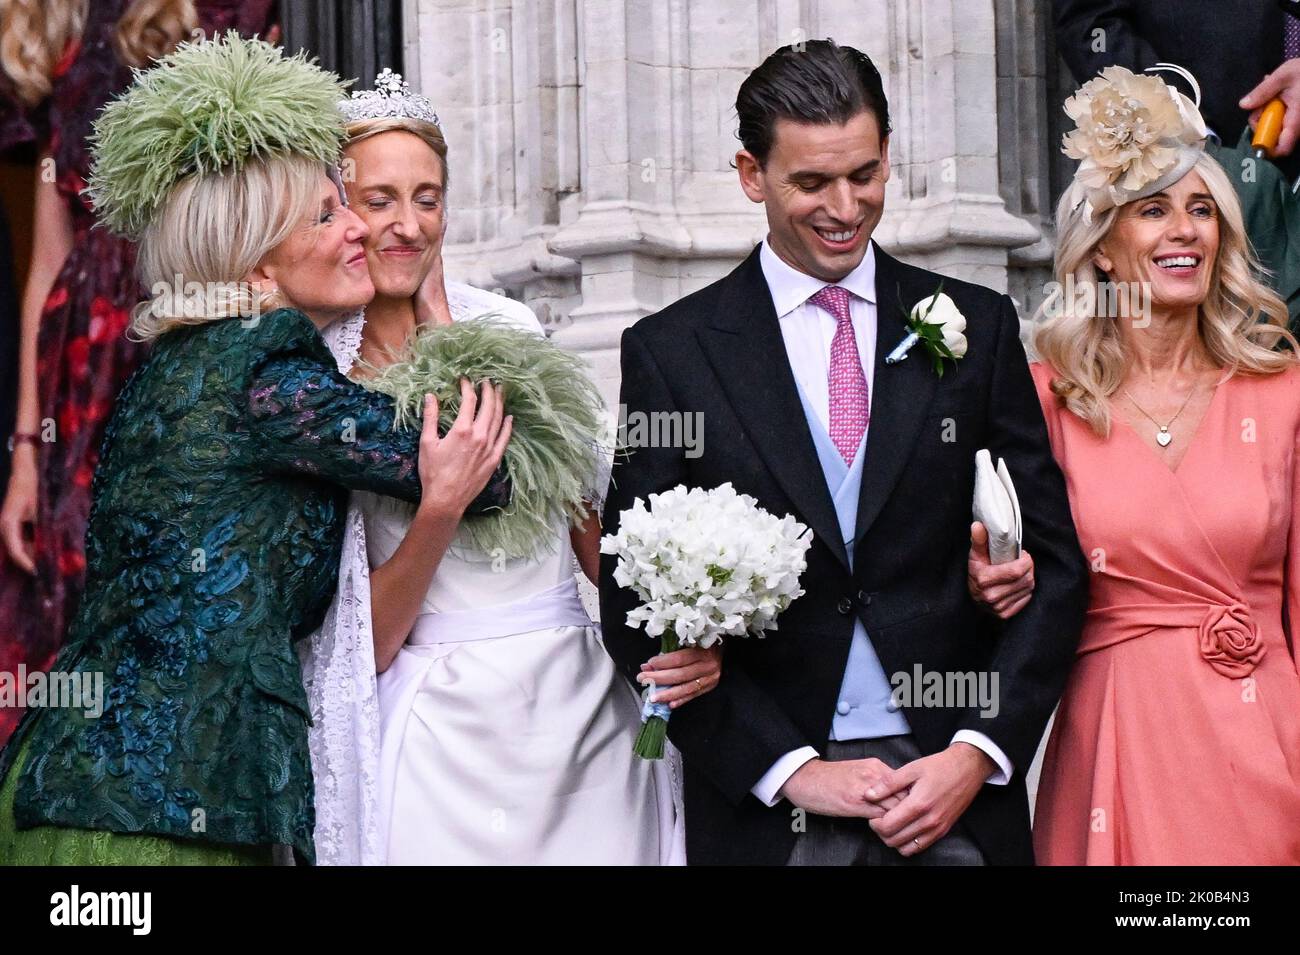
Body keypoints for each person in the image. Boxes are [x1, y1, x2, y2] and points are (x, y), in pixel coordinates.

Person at [0, 34, 509, 866]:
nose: (360, 230)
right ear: (257, 269)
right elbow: (482, 463)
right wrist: (435, 302)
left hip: (90, 794)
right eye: (326, 214)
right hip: (147, 820)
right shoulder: (269, 372)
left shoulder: (190, 361)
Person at [599, 39, 1090, 867]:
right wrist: (790, 771)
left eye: (864, 174)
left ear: (889, 155)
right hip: (776, 805)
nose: (845, 205)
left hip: (953, 784)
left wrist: (978, 751)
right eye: (811, 182)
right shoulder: (672, 351)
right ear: (752, 175)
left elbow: (1057, 567)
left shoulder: (978, 326)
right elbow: (632, 600)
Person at [300, 72, 720, 865]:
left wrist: (680, 626)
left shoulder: (510, 326)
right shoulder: (318, 376)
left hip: (582, 716)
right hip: (439, 740)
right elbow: (366, 645)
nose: (406, 224)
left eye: (427, 199)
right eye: (379, 199)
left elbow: (587, 526)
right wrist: (440, 507)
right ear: (338, 210)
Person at [1026, 65, 1300, 864]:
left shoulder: (1281, 391)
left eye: (1202, 210)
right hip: (1113, 736)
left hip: (1264, 743)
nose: (1185, 230)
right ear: (1103, 248)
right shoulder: (1048, 399)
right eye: (1153, 210)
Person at [0, 0, 278, 749]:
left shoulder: (223, 12)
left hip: (185, 317)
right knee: (73, 591)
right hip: (80, 362)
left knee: (179, 580)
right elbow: (47, 266)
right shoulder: (55, 26)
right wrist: (26, 447)